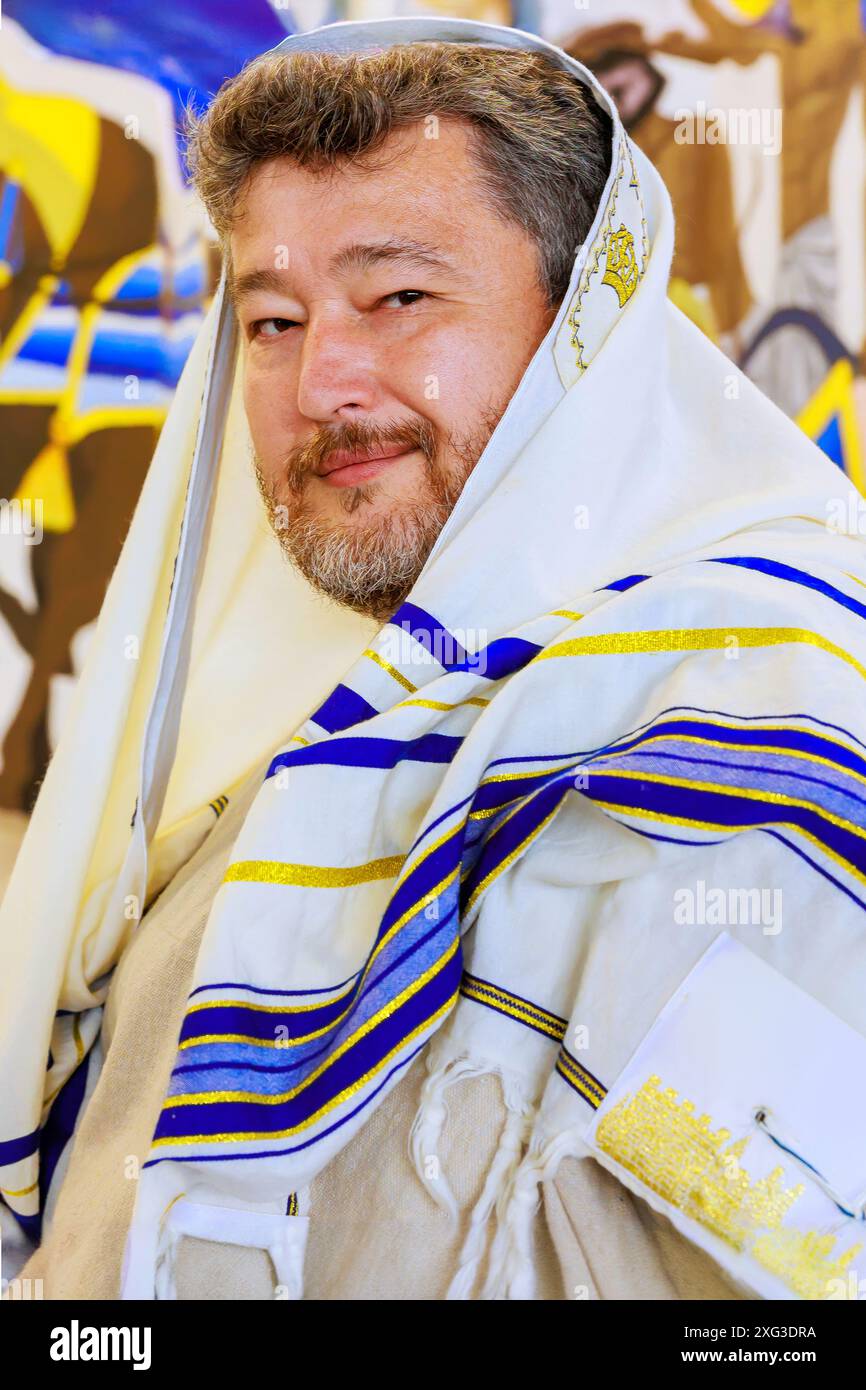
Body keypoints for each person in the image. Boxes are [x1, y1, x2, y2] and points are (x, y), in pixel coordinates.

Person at [2, 16, 866, 1303]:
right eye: (276, 320)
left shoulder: (759, 709)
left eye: (400, 295)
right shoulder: (275, 742)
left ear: (589, 327)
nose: (321, 382)